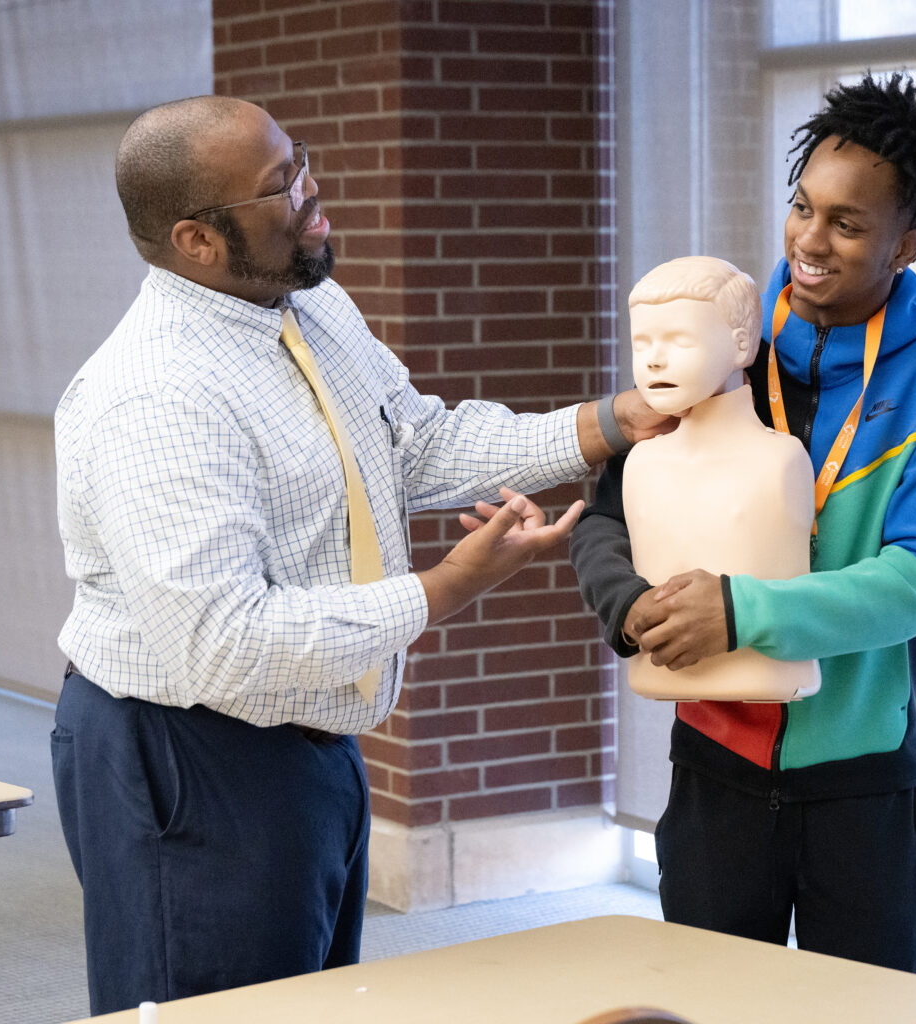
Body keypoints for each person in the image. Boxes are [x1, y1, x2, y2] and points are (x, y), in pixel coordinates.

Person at [51, 94, 668, 1015]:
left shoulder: (308, 303)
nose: (312, 190)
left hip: (312, 740)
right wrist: (444, 589)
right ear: (197, 240)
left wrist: (604, 424)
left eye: (299, 159)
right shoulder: (155, 397)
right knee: (214, 1010)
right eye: (280, 185)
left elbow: (411, 443)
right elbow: (227, 642)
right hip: (188, 754)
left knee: (309, 1006)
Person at [569, 72, 916, 971]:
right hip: (713, 763)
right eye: (803, 206)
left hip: (861, 781)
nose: (808, 239)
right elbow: (606, 516)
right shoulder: (716, 334)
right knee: (714, 1003)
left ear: (907, 243)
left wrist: (744, 610)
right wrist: (627, 602)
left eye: (848, 223)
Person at [619, 255, 818, 702]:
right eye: (641, 343)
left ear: (742, 344)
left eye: (679, 341)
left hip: (770, 678)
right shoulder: (639, 462)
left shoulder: (781, 460)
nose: (653, 361)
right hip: (666, 685)